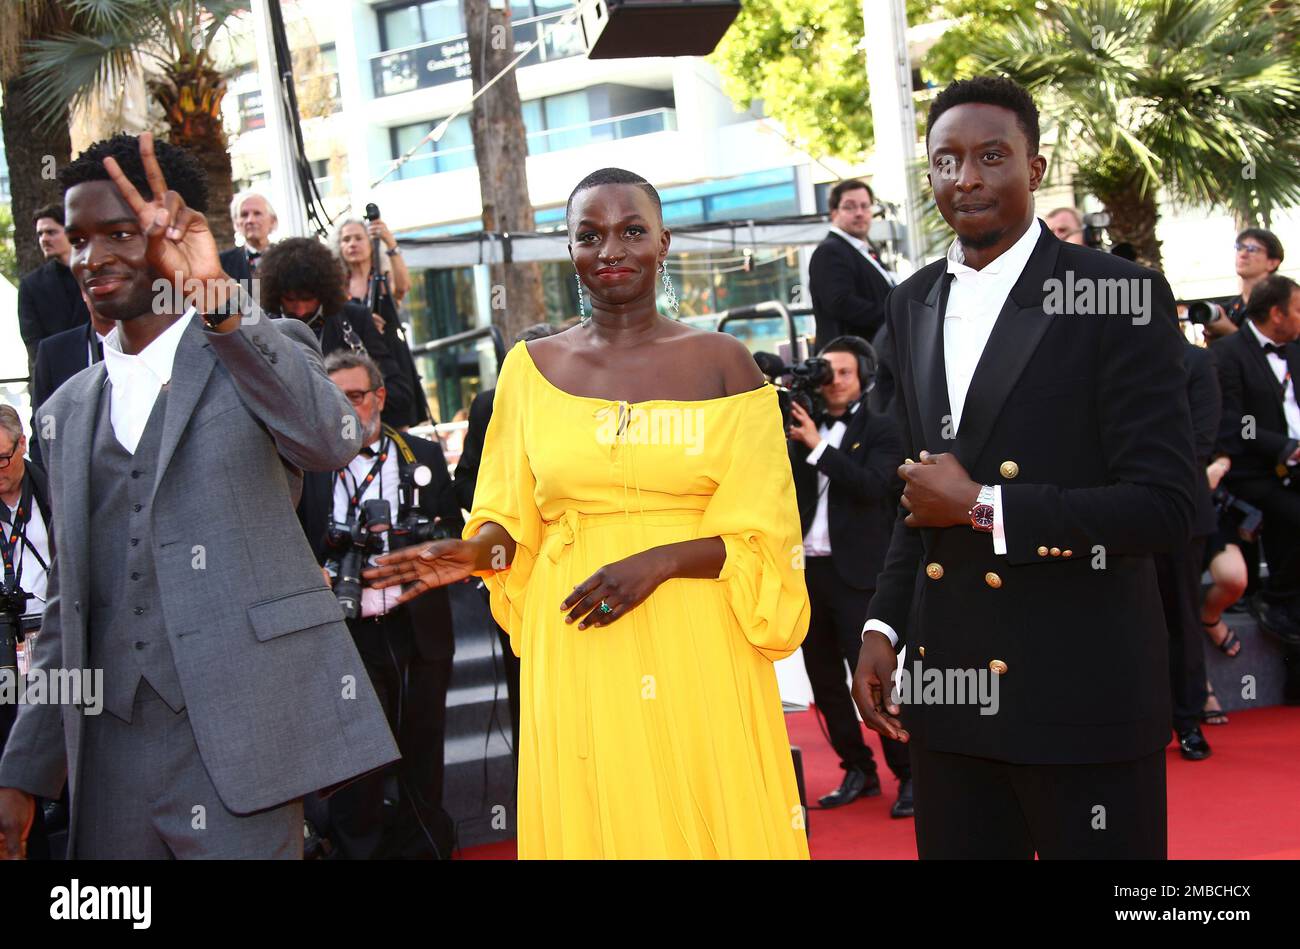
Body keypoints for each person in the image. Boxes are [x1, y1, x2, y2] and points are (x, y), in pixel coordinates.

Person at [366, 167, 812, 859]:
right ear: (567, 248)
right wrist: (470, 552)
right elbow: (508, 520)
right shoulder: (529, 369)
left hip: (701, 627)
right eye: (591, 234)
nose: (612, 249)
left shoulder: (724, 364)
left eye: (632, 230)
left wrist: (661, 561)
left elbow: (767, 530)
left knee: (704, 805)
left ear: (664, 241)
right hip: (578, 631)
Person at [0, 132, 398, 860]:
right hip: (110, 760)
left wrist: (217, 297)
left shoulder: (258, 345)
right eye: (79, 239)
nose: (92, 258)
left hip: (243, 742)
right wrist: (23, 772)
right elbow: (67, 605)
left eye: (120, 233)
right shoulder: (63, 410)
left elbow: (329, 436)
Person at [852, 76, 1195, 859]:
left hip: (1083, 697)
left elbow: (1166, 507)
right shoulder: (910, 303)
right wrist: (882, 624)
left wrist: (984, 506)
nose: (965, 177)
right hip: (952, 705)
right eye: (945, 160)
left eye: (991, 156)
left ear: (1035, 168)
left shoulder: (1121, 295)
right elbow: (920, 490)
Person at [297, 351, 463, 859]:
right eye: (334, 397)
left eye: (356, 396)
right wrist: (314, 572)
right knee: (357, 770)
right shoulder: (305, 464)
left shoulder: (423, 456)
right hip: (347, 635)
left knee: (422, 758)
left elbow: (456, 534)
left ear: (381, 397)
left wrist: (433, 549)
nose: (346, 408)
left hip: (418, 630)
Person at [786, 335, 912, 816]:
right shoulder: (798, 427)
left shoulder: (882, 429)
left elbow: (875, 487)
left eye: (844, 373)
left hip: (860, 575)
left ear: (863, 379)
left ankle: (908, 775)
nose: (834, 381)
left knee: (879, 680)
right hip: (807, 573)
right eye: (826, 371)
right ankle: (857, 767)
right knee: (824, 683)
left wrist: (818, 448)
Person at [453, 322, 566, 767]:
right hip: (513, 565)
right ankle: (535, 783)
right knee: (525, 681)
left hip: (576, 557)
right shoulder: (490, 404)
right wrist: (499, 520)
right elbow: (467, 479)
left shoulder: (588, 397)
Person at [1213, 273, 1300, 702]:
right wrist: (1286, 448)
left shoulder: (1296, 351)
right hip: (1253, 471)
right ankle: (1277, 600)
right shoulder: (1228, 354)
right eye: (1298, 307)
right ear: (1278, 312)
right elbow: (1232, 424)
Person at [256, 236, 415, 430]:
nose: (299, 309)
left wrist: (353, 398)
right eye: (290, 299)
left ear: (323, 291)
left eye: (307, 299)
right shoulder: (263, 327)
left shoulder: (354, 319)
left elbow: (398, 392)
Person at [1156, 338, 1220, 760]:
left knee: (1180, 616)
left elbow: (1201, 441)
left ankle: (1187, 720)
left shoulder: (1195, 362)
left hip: (1178, 512)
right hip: (1115, 513)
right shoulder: (1109, 359)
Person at [0, 407, 54, 858]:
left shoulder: (58, 489)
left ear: (23, 445)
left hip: (61, 644)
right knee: (12, 751)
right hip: (4, 655)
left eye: (1, 457)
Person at [336, 217, 430, 428]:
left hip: (388, 356)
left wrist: (389, 241)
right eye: (346, 239)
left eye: (358, 238)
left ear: (370, 244)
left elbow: (403, 287)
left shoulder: (383, 278)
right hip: (356, 358)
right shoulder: (337, 285)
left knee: (397, 421)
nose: (352, 244)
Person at [808, 180, 895, 352]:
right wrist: (894, 315)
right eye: (850, 207)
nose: (859, 213)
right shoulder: (829, 251)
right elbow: (840, 303)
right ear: (834, 213)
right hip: (851, 361)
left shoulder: (864, 250)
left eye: (865, 206)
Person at [16, 205, 91, 372]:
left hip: (100, 372)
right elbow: (33, 340)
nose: (44, 239)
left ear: (70, 232)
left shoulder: (95, 273)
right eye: (40, 234)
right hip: (56, 378)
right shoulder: (31, 284)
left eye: (51, 232)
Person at [1204, 228, 1285, 340]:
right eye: (1239, 248)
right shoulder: (1231, 307)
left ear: (1272, 263)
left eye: (1252, 249)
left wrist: (1229, 331)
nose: (1243, 254)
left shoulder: (1284, 303)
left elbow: (1278, 351)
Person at [218, 191, 277, 283]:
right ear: (236, 224)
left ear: (272, 221)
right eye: (244, 215)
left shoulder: (289, 258)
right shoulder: (222, 263)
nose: (250, 220)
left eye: (257, 213)